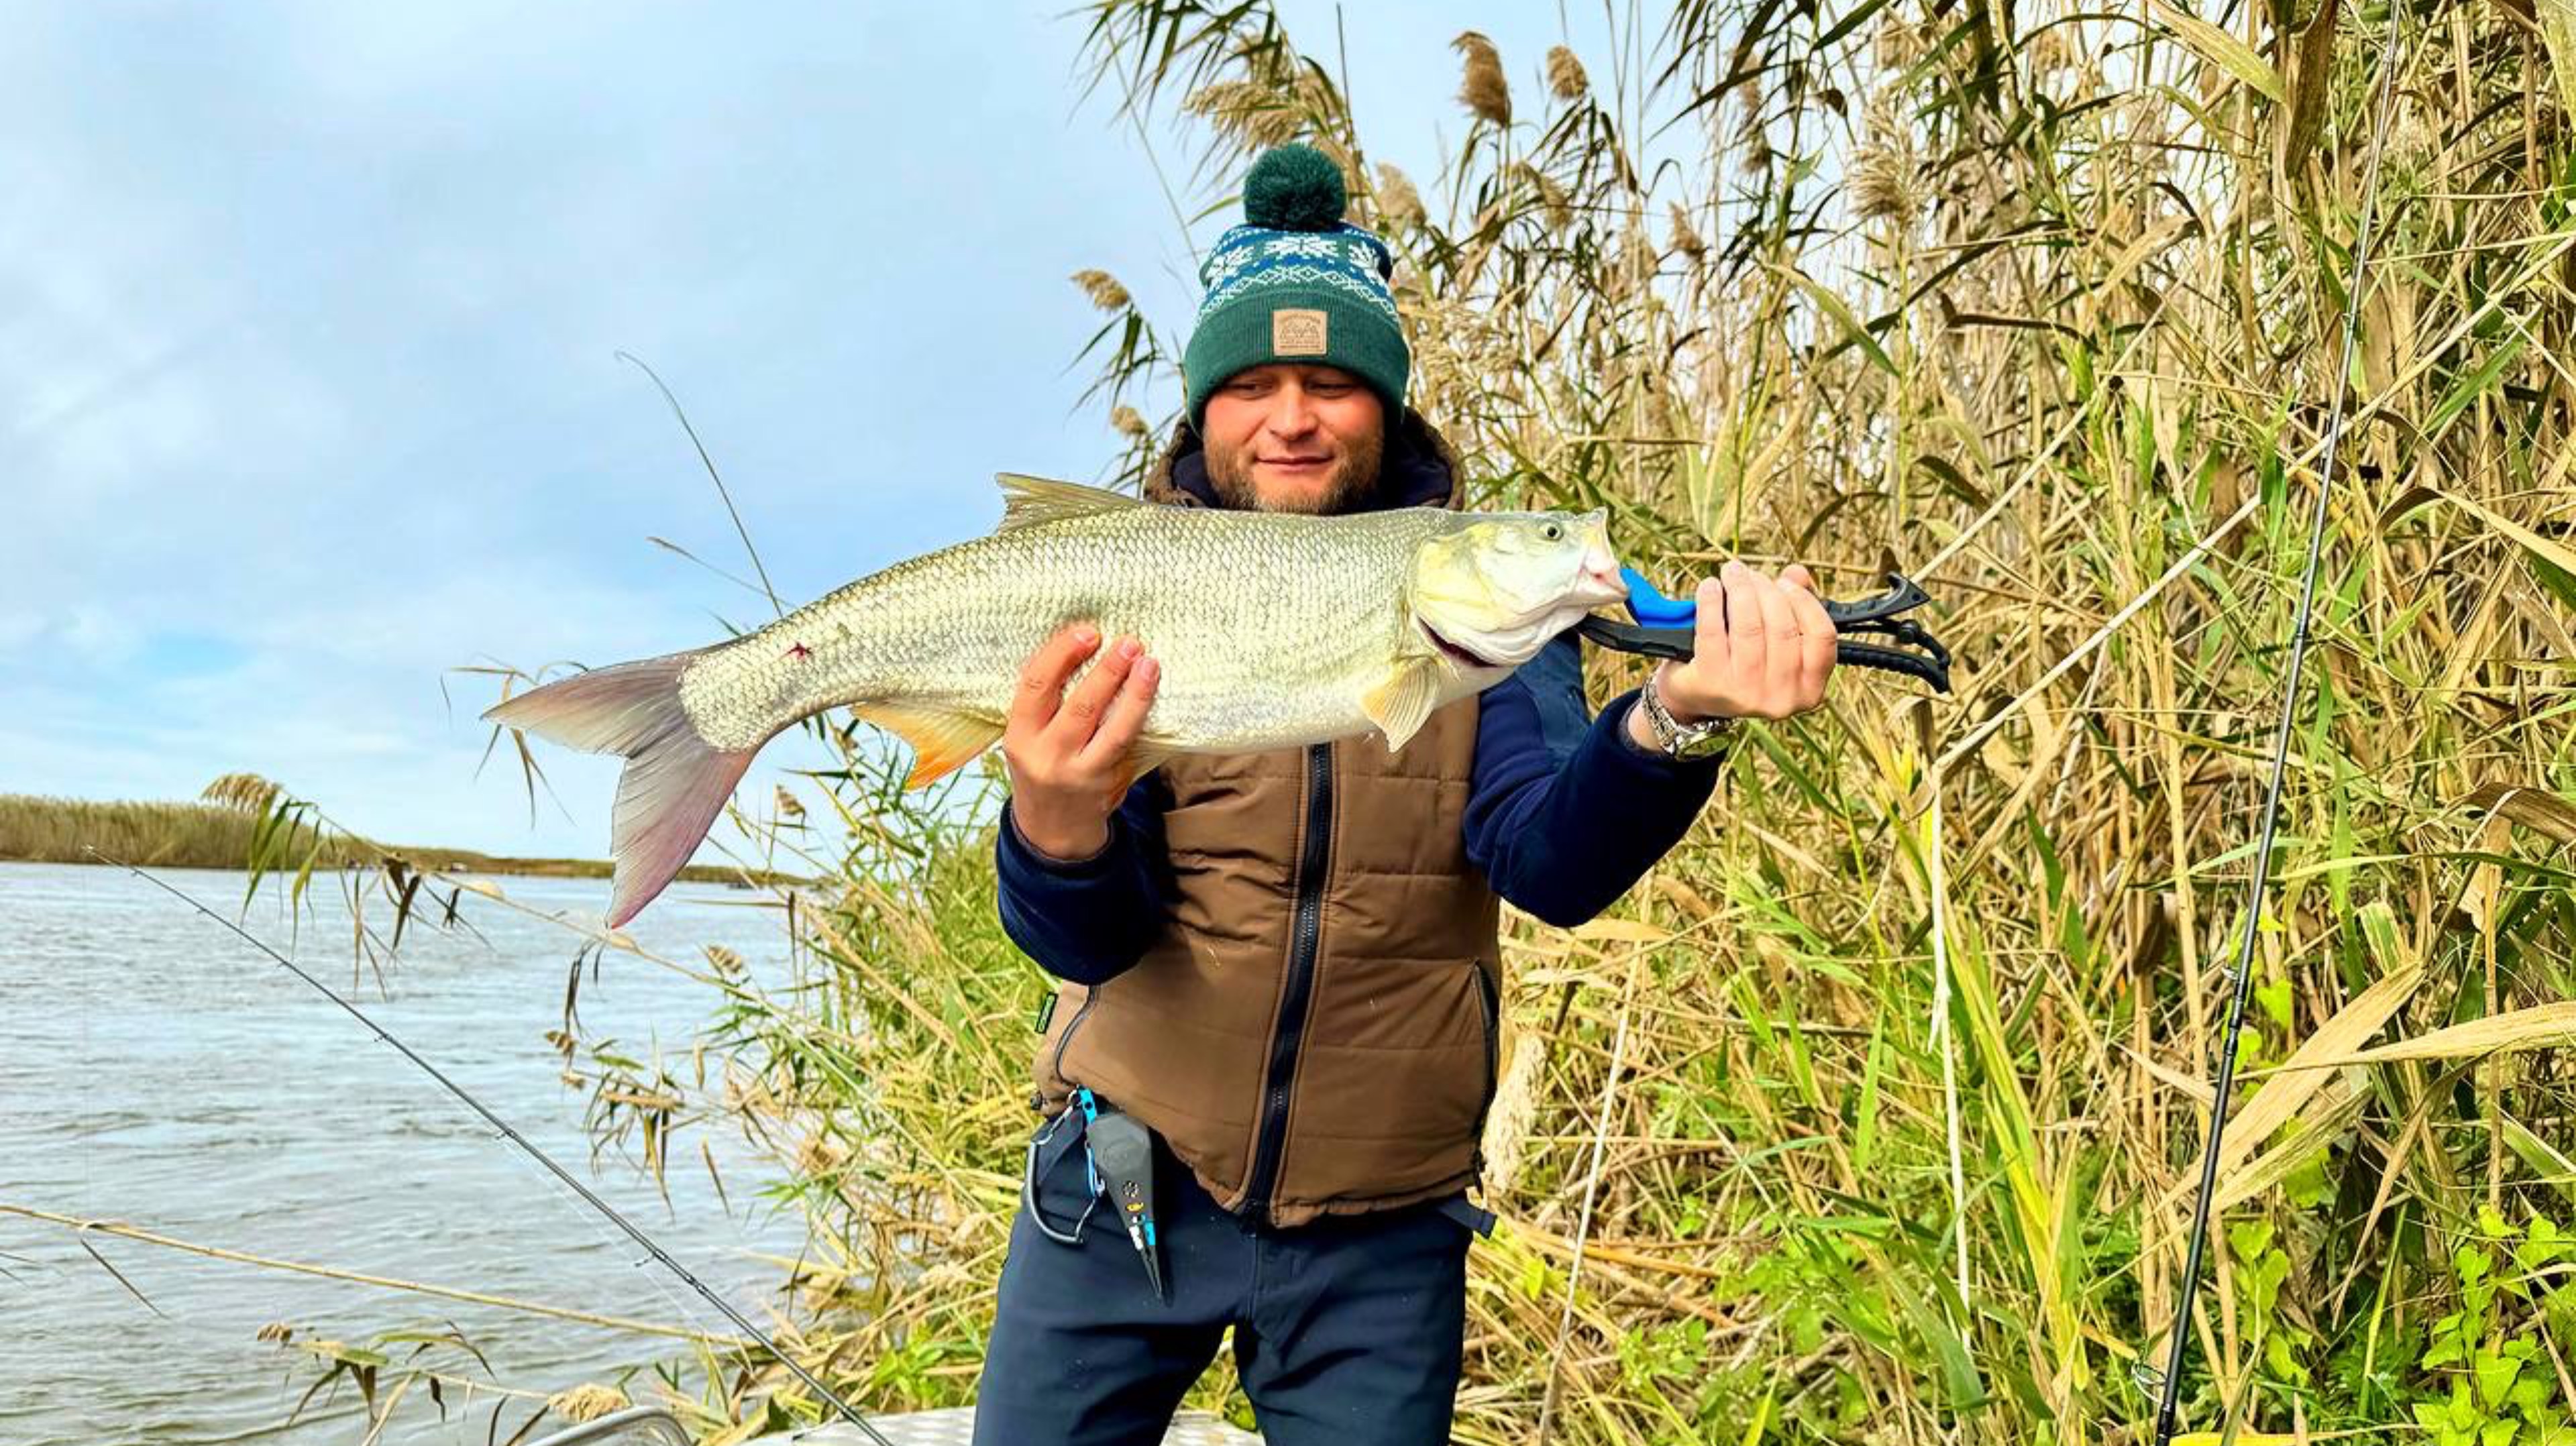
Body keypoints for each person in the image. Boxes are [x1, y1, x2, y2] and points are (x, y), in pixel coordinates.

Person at [969, 144, 1837, 1446]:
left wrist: (1675, 717)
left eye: (1332, 382)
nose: (1292, 416)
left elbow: (1548, 864)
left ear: (1388, 404)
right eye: (1253, 383)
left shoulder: (1496, 613)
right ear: (1204, 411)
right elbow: (1085, 939)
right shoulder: (1131, 590)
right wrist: (1056, 819)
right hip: (1123, 1183)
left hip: (1383, 1235)